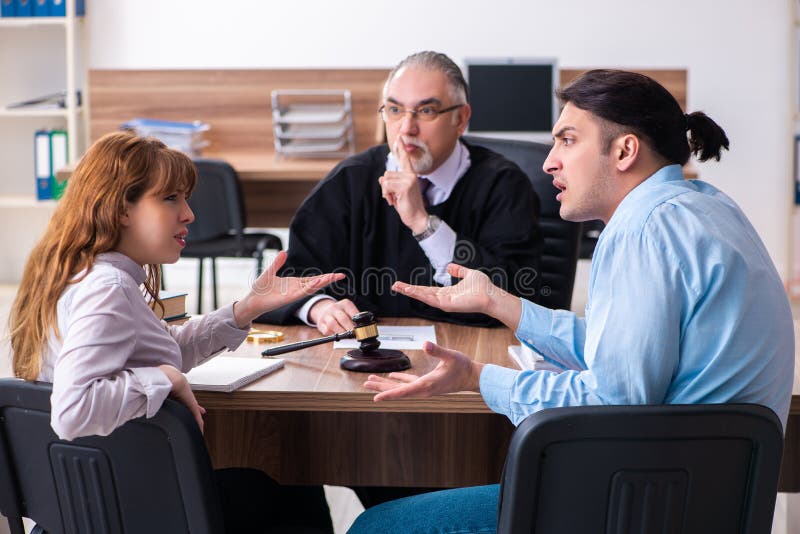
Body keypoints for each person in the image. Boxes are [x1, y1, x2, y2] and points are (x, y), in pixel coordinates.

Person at [347, 69, 795, 533]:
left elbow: (613, 402)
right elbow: (622, 352)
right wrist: (499, 302)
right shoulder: (705, 206)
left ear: (624, 151)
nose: (549, 163)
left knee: (376, 527)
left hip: (640, 502)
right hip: (705, 499)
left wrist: (478, 377)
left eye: (567, 140)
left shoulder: (642, 229)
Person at [8, 131, 341, 534]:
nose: (189, 214)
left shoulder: (80, 275)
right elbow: (73, 409)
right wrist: (164, 378)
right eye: (170, 198)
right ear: (121, 208)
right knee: (293, 487)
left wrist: (246, 308)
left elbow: (160, 350)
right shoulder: (107, 289)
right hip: (132, 509)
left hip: (84, 507)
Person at [257, 51, 543, 333]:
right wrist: (319, 307)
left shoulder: (504, 185)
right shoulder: (350, 179)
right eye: (395, 110)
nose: (407, 128)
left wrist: (422, 222)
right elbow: (285, 280)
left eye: (426, 111)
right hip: (366, 352)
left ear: (460, 118)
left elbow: (517, 297)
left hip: (473, 350)